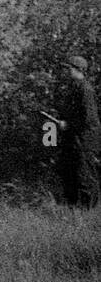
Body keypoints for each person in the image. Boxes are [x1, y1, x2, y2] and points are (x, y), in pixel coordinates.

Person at [53, 55, 100, 209]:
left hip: (85, 142)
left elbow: (89, 119)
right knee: (70, 175)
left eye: (68, 68)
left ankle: (88, 212)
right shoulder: (73, 88)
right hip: (73, 140)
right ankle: (72, 211)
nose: (65, 71)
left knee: (85, 176)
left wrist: (68, 124)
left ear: (77, 70)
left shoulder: (85, 90)